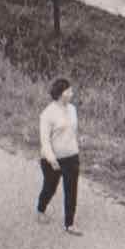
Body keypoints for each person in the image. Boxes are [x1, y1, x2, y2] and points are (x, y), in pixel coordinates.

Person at [36, 79, 82, 235]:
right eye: (69, 91)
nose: (72, 93)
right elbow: (45, 140)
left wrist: (75, 148)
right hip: (53, 159)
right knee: (50, 188)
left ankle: (69, 224)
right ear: (61, 94)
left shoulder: (73, 109)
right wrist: (51, 159)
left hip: (71, 157)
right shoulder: (48, 113)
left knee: (71, 190)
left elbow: (74, 131)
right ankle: (41, 209)